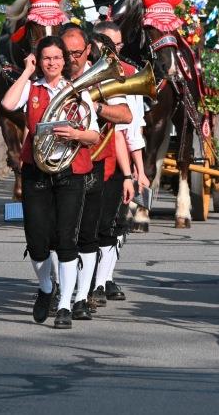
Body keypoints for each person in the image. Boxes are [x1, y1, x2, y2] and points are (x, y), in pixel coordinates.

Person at [0, 35, 102, 329]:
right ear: (39, 60)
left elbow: (94, 134)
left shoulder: (77, 92)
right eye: (46, 58)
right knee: (36, 242)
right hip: (37, 170)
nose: (52, 63)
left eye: (57, 58)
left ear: (65, 61)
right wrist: (27, 72)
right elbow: (8, 103)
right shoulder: (31, 87)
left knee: (67, 239)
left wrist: (77, 135)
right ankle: (46, 288)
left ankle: (66, 305)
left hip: (71, 171)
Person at [61, 25, 132, 321]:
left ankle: (82, 293)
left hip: (94, 159)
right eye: (66, 53)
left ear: (88, 51)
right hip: (59, 161)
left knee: (89, 231)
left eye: (76, 53)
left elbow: (125, 116)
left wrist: (95, 105)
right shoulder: (53, 73)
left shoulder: (102, 74)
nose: (70, 59)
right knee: (58, 233)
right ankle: (57, 288)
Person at [92, 22, 146, 304]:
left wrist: (138, 169)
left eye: (118, 46)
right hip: (94, 157)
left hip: (119, 157)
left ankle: (105, 277)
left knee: (116, 224)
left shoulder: (128, 74)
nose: (114, 51)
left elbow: (132, 127)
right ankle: (93, 281)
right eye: (107, 45)